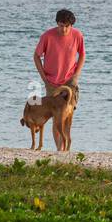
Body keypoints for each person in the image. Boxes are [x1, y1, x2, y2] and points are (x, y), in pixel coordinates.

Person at [33, 9, 85, 150]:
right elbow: (36, 56)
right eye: (61, 25)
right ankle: (59, 149)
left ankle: (66, 148)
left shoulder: (78, 35)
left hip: (70, 82)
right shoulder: (47, 36)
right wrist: (44, 79)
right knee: (57, 119)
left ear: (71, 25)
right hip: (52, 83)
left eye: (67, 26)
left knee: (68, 117)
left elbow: (82, 55)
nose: (64, 29)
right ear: (57, 23)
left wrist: (76, 76)